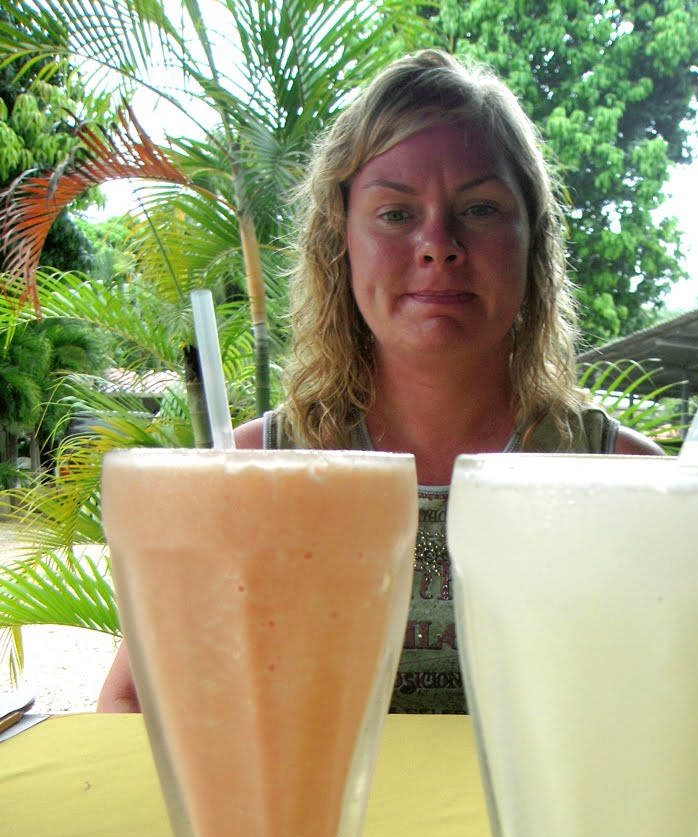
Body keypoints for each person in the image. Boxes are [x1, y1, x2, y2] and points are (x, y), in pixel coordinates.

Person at [98, 48, 662, 717]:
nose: (437, 244)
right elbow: (131, 703)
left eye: (479, 209)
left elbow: (687, 714)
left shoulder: (631, 484)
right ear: (340, 242)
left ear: (532, 240)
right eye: (396, 213)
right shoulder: (248, 474)